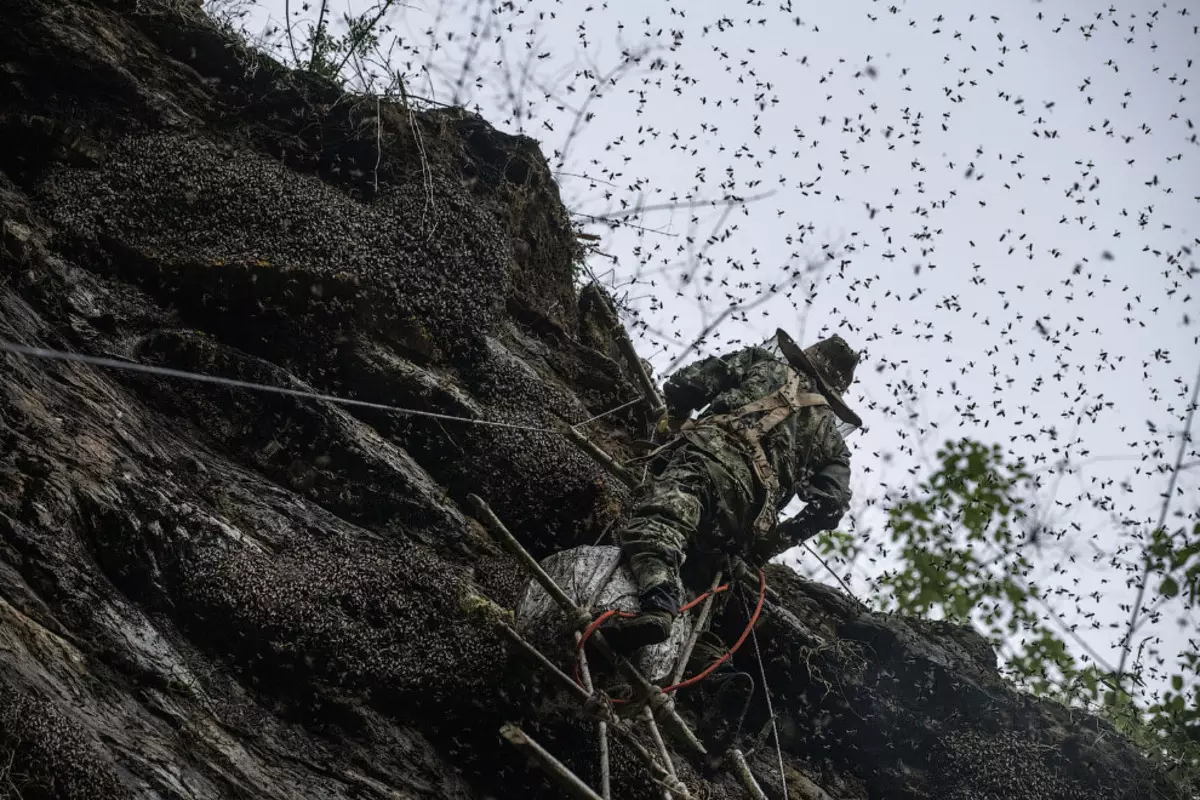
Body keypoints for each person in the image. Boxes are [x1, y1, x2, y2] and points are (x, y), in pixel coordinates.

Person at [598, 329, 860, 753]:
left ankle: (657, 606)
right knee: (699, 595)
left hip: (708, 460)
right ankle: (716, 678)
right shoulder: (829, 435)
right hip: (748, 519)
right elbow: (830, 505)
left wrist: (678, 421)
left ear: (805, 355)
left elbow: (686, 384)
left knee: (655, 529)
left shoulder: (763, 362)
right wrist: (768, 545)